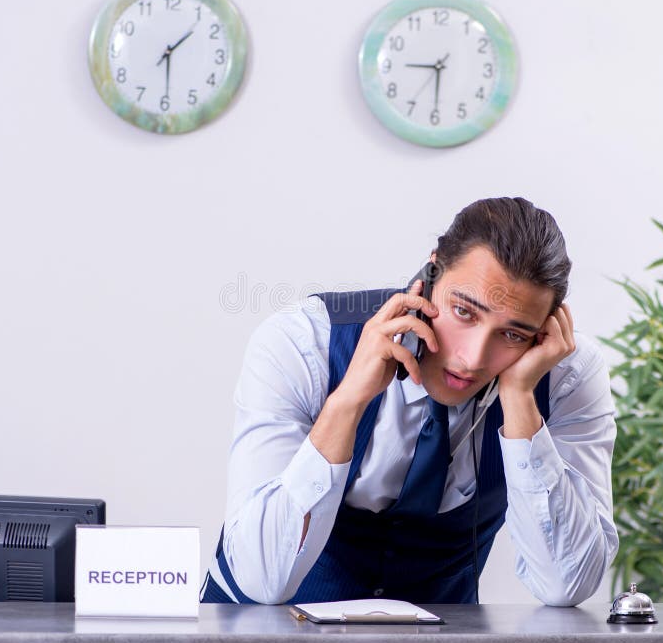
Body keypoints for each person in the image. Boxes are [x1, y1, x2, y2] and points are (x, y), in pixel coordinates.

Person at [201, 197, 618, 606]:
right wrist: (347, 401)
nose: (472, 359)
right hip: (257, 638)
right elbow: (260, 578)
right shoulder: (303, 343)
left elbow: (568, 584)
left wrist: (520, 400)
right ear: (432, 269)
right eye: (464, 312)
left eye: (513, 334)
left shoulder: (565, 376)